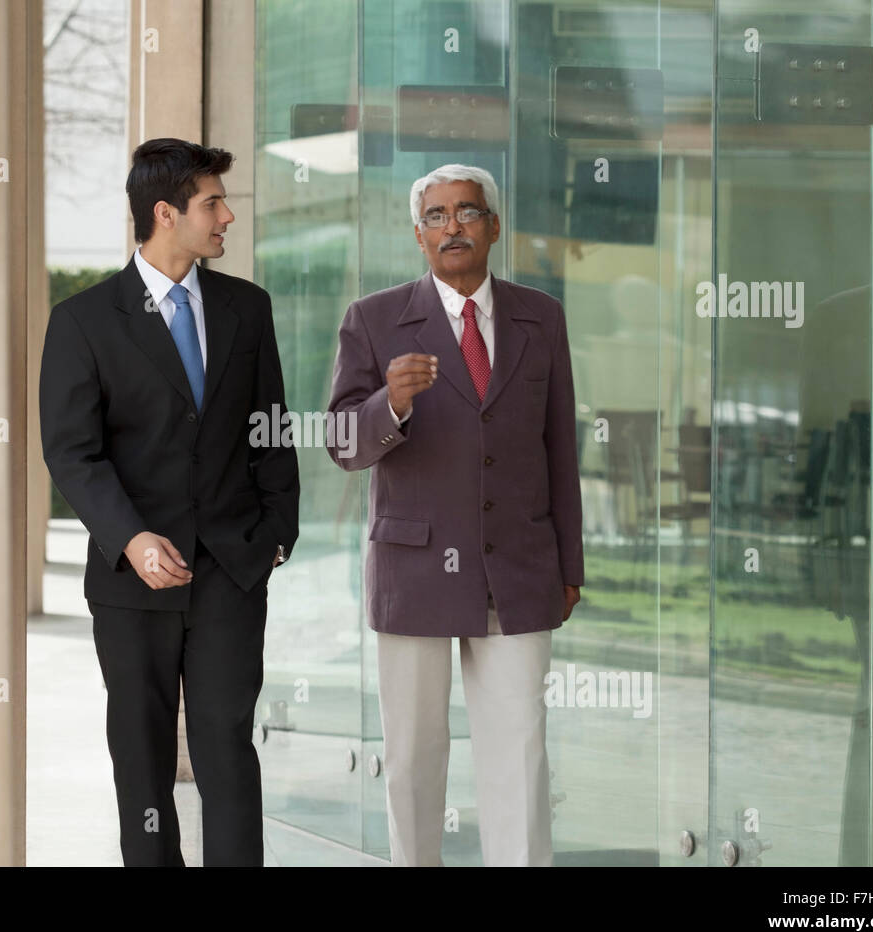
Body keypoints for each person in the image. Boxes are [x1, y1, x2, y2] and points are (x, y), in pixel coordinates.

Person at [39, 137, 300, 866]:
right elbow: (72, 452)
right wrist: (130, 538)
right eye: (213, 203)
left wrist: (277, 530)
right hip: (133, 580)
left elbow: (270, 428)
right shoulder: (83, 321)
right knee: (143, 757)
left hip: (232, 569)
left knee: (227, 745)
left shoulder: (248, 309)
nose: (227, 219)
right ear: (165, 213)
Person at [325, 164, 583, 866]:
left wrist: (569, 565)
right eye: (436, 216)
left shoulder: (542, 317)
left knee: (520, 751)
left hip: (520, 566)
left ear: (494, 227)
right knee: (413, 757)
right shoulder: (373, 320)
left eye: (467, 212)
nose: (452, 227)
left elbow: (560, 446)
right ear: (417, 234)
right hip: (414, 569)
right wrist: (391, 404)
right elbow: (343, 443)